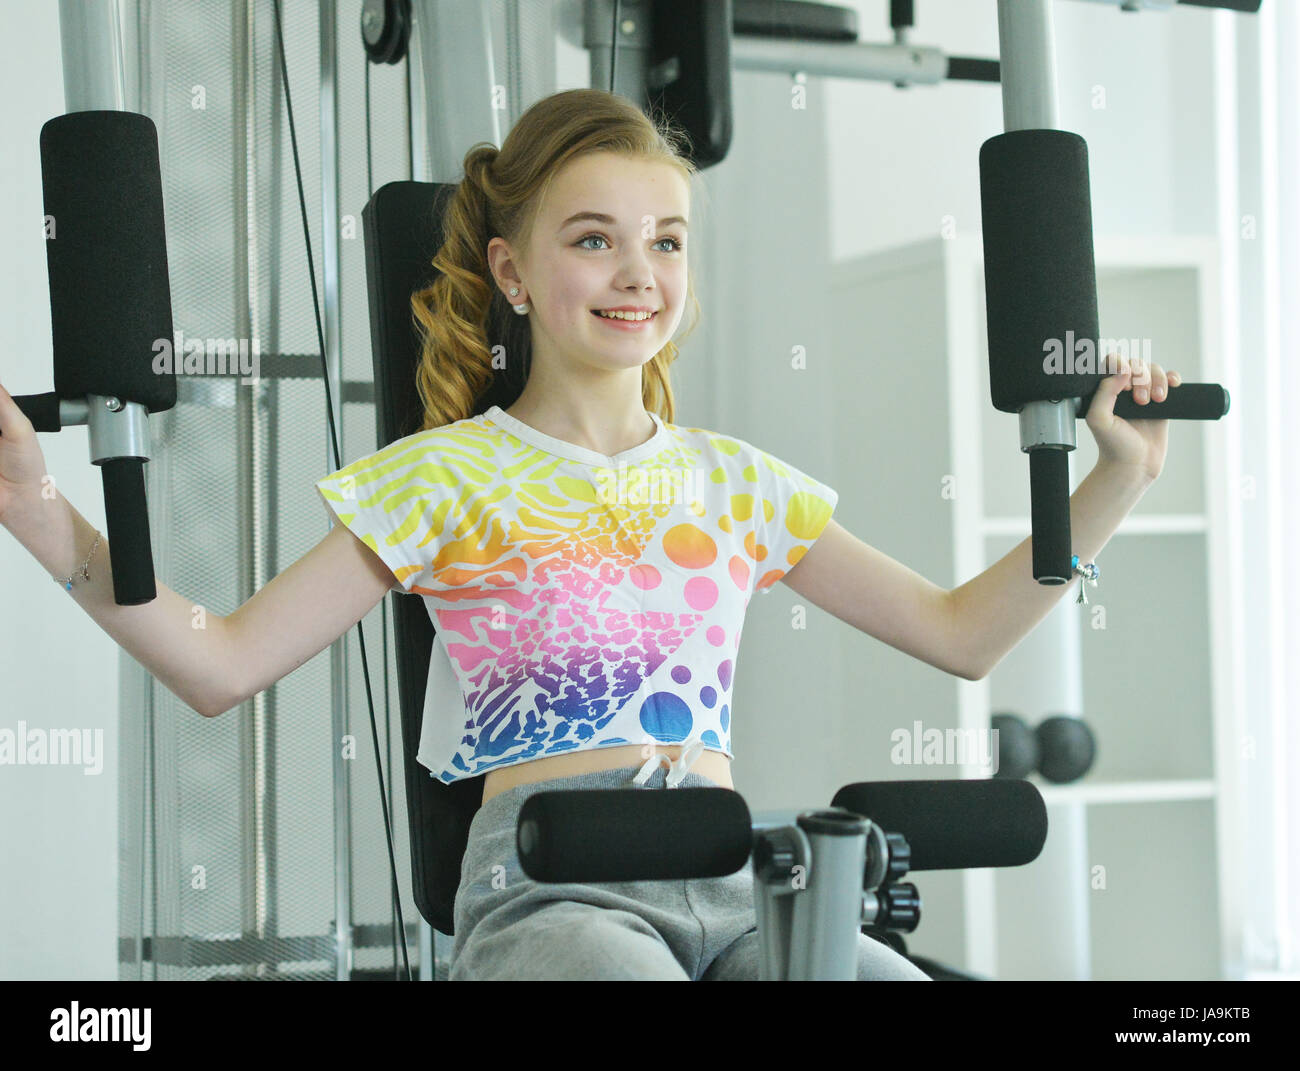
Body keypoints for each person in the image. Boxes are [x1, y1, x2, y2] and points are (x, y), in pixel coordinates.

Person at [0, 88, 1177, 982]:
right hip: (553, 888)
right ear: (512, 270)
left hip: (737, 876)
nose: (638, 274)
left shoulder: (735, 482)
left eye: (666, 240)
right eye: (594, 239)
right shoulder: (444, 477)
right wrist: (36, 509)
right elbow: (219, 663)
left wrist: (1116, 478)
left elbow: (963, 635)